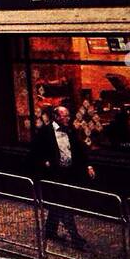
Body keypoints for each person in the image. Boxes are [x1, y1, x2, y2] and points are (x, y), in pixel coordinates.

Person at [30, 103, 95, 249]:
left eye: (68, 115)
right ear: (56, 117)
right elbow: (34, 152)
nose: (67, 118)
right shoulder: (45, 132)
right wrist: (44, 161)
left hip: (68, 172)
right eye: (64, 116)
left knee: (57, 203)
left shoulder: (70, 130)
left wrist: (88, 165)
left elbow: (80, 149)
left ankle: (49, 231)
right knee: (64, 205)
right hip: (54, 174)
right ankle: (76, 238)